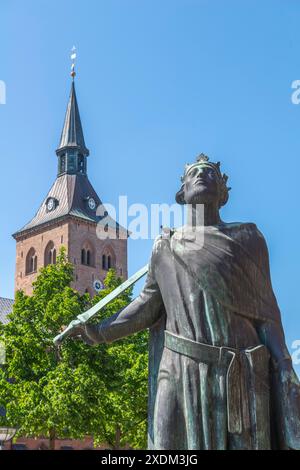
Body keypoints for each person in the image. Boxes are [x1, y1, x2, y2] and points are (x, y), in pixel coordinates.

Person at [67, 154, 300, 450]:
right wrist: (98, 331)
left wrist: (283, 364)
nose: (203, 174)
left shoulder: (248, 238)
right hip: (178, 371)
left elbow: (267, 313)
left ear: (223, 192)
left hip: (239, 374)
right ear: (182, 192)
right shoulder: (165, 246)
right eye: (194, 173)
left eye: (211, 172)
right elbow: (146, 306)